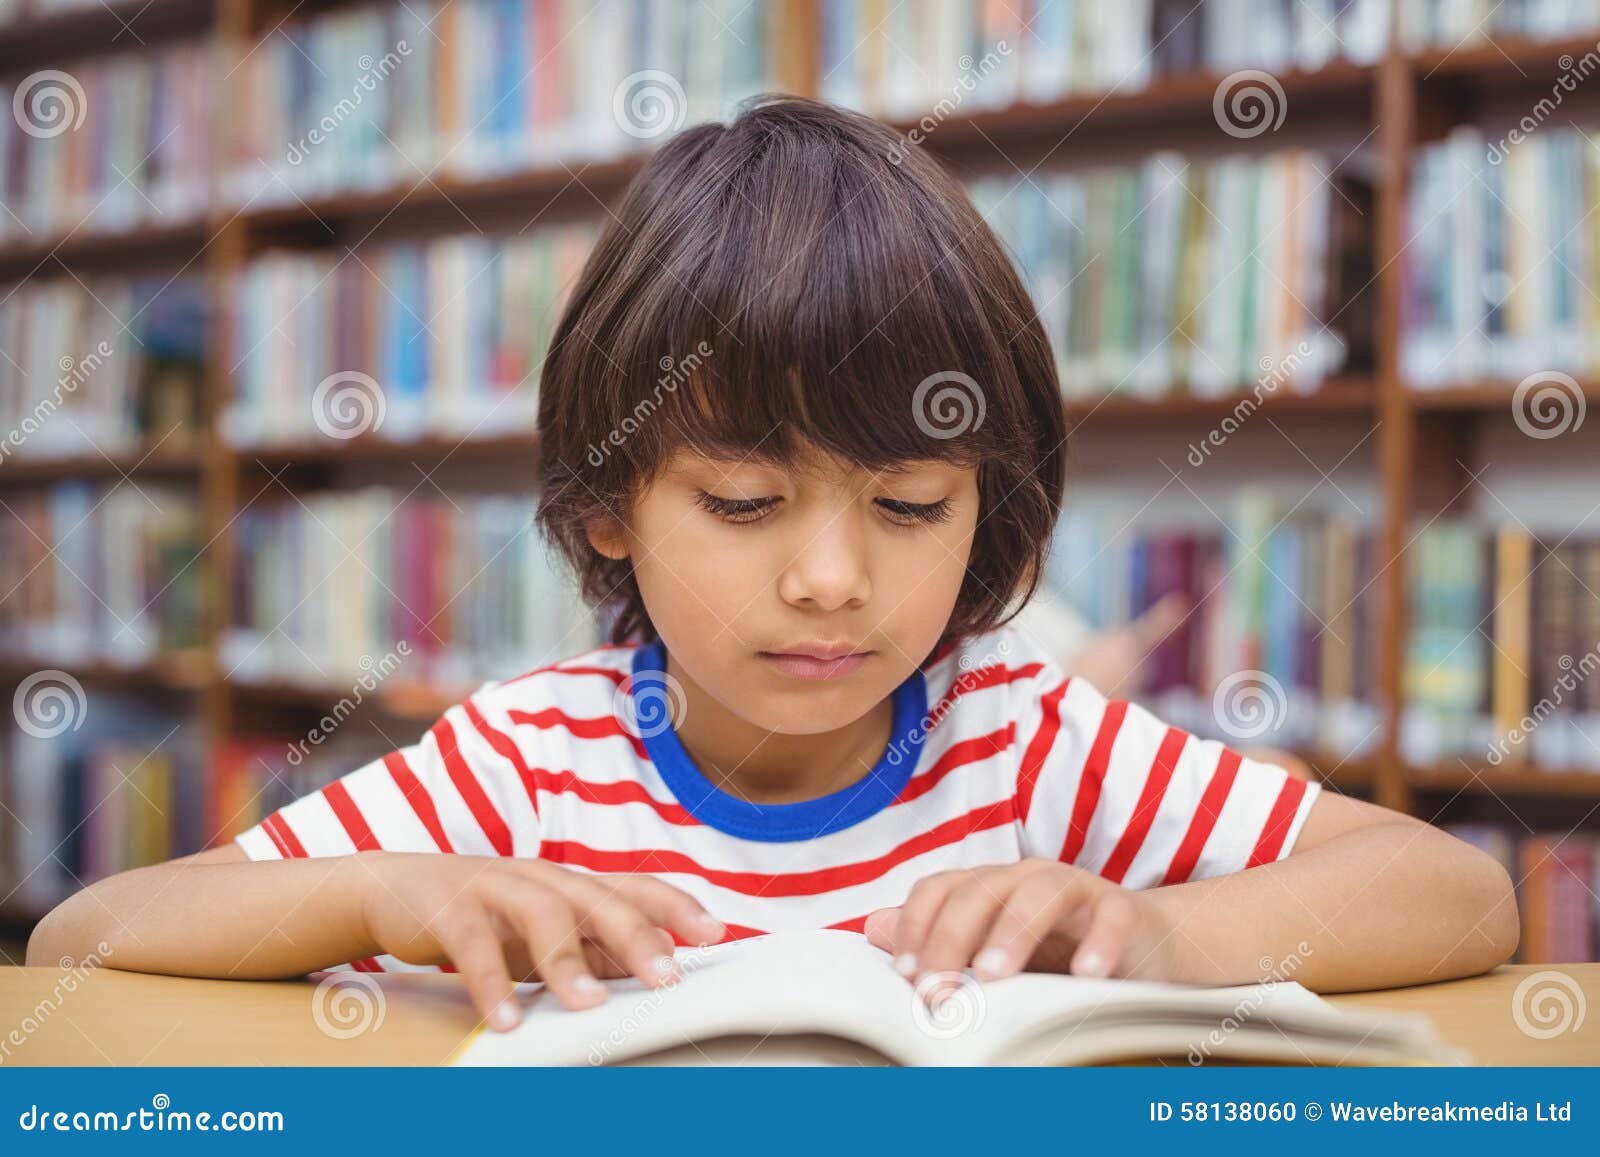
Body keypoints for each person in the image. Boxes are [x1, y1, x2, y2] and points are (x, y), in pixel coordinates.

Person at [28, 97, 1518, 1036]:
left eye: (912, 503)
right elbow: (89, 938)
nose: (830, 579)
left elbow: (1455, 893)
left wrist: (1177, 929)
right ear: (608, 504)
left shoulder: (1027, 728)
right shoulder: (534, 754)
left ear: (987, 501)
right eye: (744, 501)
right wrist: (382, 894)